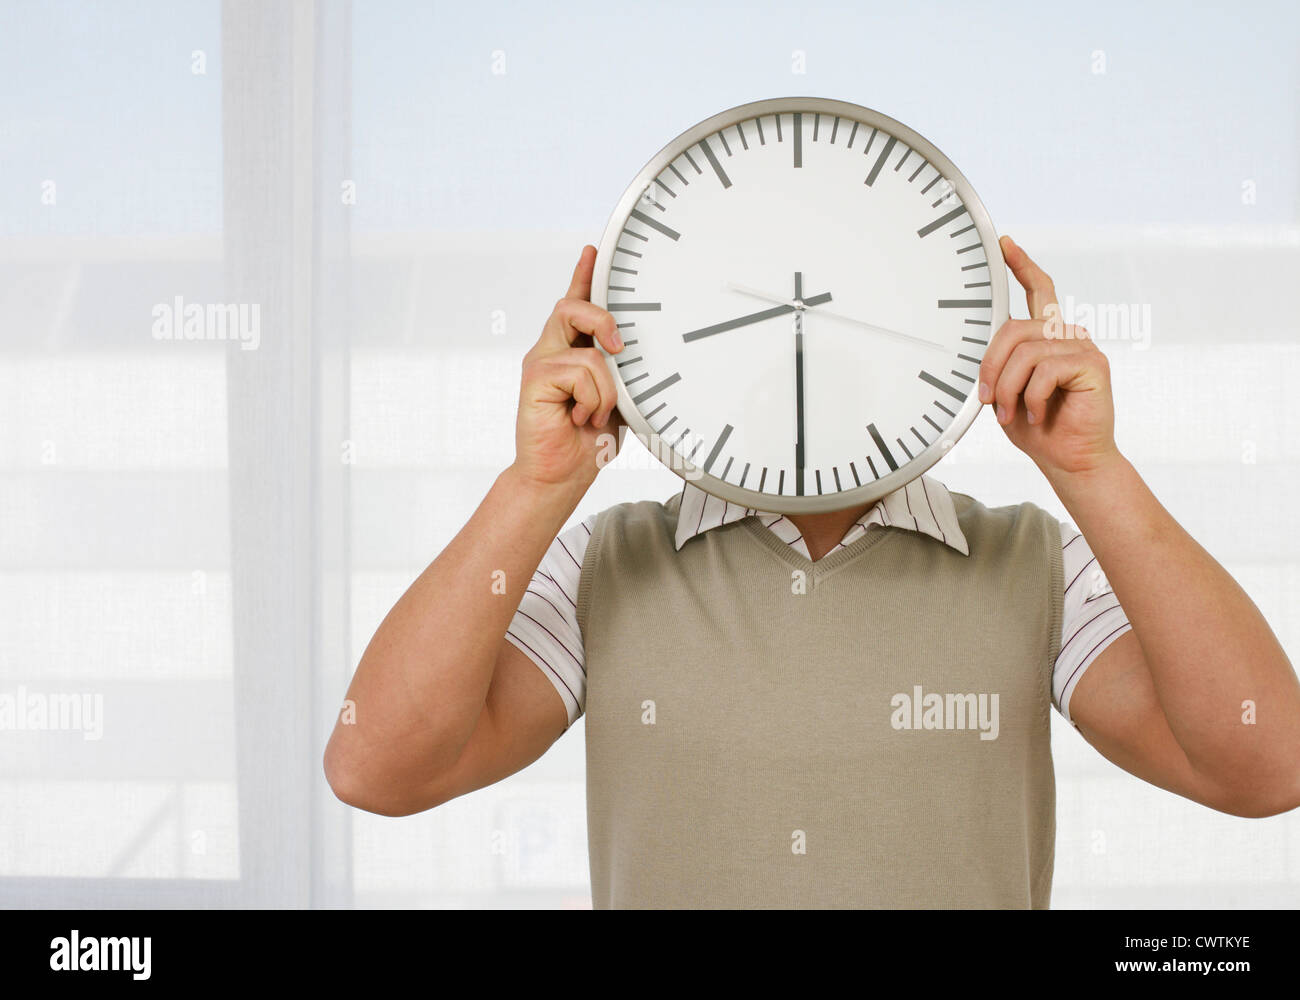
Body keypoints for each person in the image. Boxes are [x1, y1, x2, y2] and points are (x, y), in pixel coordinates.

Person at [323, 237, 1300, 908]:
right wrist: (538, 482)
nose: (804, 337)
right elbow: (377, 766)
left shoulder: (1031, 561)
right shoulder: (606, 562)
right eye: (765, 310)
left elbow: (1266, 766)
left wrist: (1089, 469)